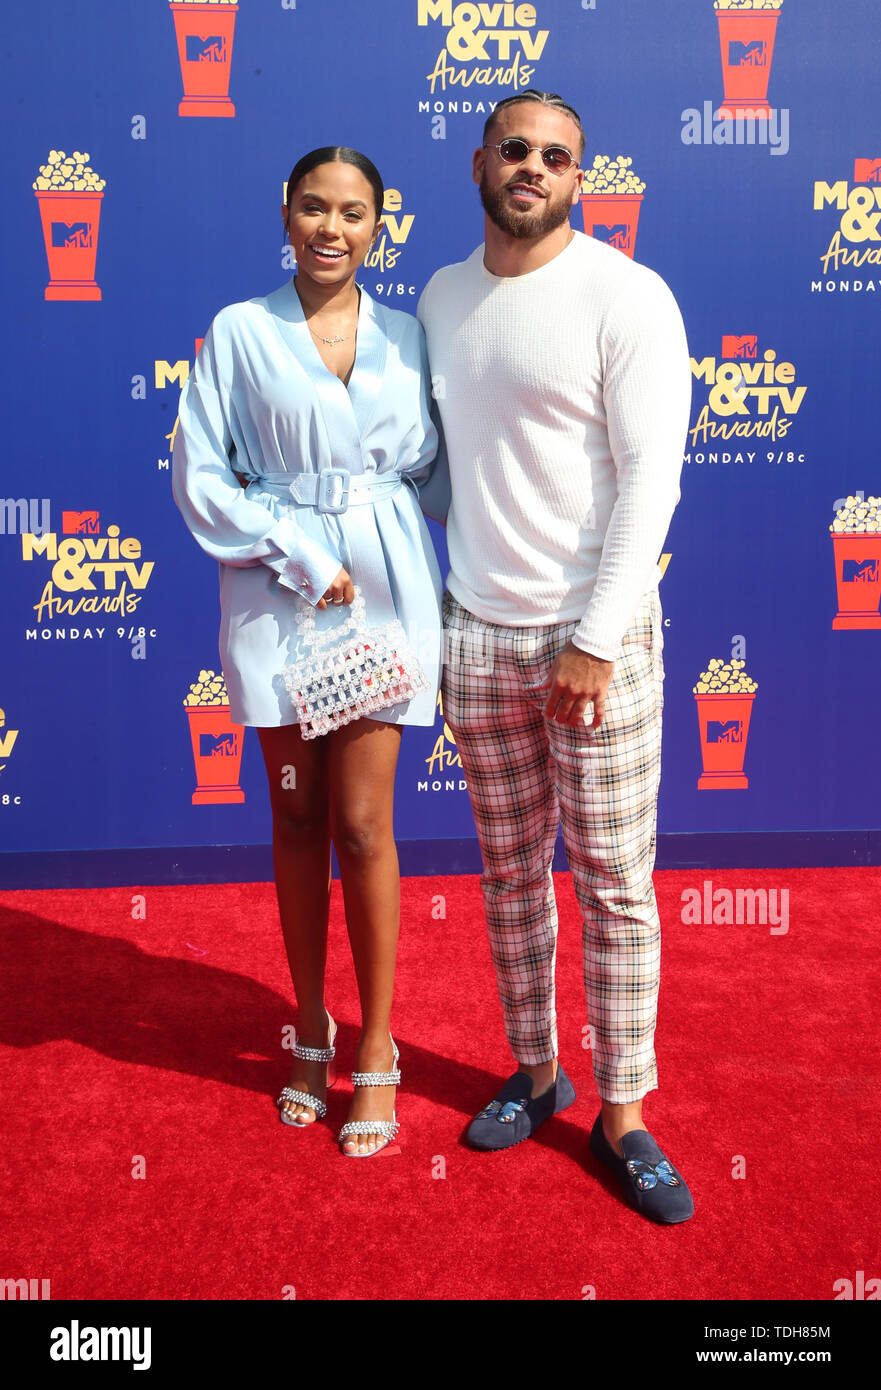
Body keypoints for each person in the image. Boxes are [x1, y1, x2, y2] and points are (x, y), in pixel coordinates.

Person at [417, 92, 695, 1222]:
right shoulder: (437, 298)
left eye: (556, 157)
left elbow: (652, 480)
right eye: (515, 149)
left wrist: (589, 638)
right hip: (474, 634)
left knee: (615, 887)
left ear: (580, 178)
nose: (532, 167)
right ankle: (537, 1073)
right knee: (506, 876)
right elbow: (437, 470)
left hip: (596, 643)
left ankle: (622, 1111)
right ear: (478, 160)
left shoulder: (625, 294)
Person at [172, 146, 448, 1157]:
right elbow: (203, 479)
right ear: (284, 214)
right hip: (276, 595)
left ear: (380, 226)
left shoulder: (414, 336)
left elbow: (439, 472)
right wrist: (292, 548)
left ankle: (374, 1045)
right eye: (314, 208)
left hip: (379, 596)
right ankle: (309, 1026)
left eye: (354, 213)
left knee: (364, 821)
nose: (332, 229)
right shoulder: (240, 334)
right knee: (294, 809)